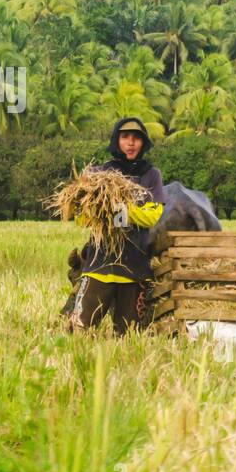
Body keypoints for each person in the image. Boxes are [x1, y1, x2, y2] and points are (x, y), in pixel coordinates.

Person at [64, 117, 165, 334]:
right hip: (100, 264)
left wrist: (124, 209)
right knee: (79, 329)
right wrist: (78, 205)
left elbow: (153, 215)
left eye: (136, 138)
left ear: (143, 143)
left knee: (128, 335)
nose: (131, 143)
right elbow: (84, 220)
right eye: (125, 137)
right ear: (116, 140)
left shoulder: (151, 175)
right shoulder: (101, 174)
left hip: (135, 267)